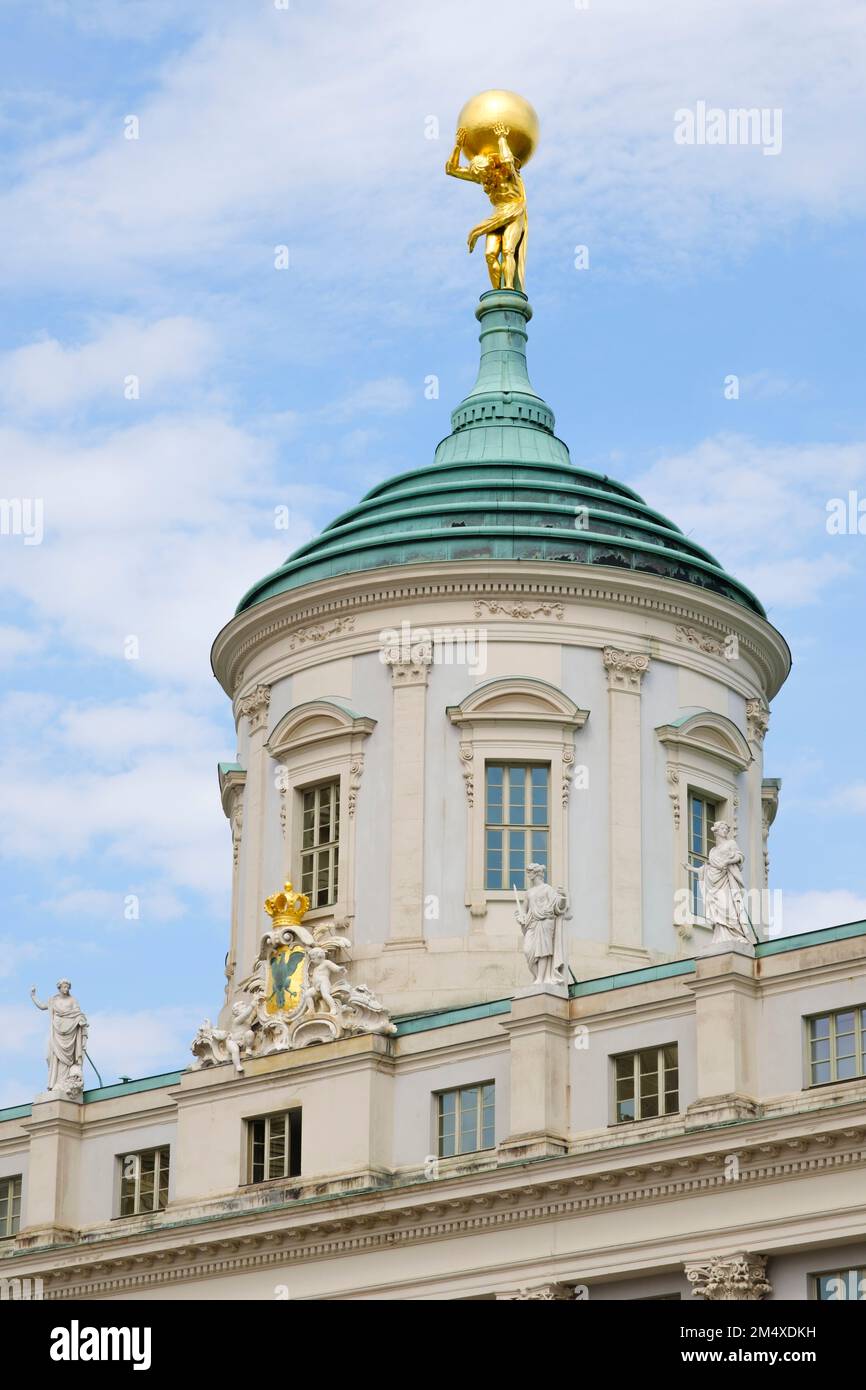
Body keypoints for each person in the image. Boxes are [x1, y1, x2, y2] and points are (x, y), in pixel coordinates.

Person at [446, 123, 528, 290]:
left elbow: (507, 159)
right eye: (480, 177)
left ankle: (509, 287)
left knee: (507, 250)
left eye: (485, 175)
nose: (484, 180)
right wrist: (458, 147)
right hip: (497, 215)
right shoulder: (482, 175)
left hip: (513, 212)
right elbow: (451, 170)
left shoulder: (507, 172)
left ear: (490, 167)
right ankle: (496, 291)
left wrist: (502, 138)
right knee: (490, 255)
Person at [30, 979, 88, 1095]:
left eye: (67, 987)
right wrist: (33, 996)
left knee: (67, 1062)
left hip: (70, 1033)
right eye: (64, 987)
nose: (66, 989)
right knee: (51, 1057)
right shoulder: (53, 1000)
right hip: (57, 1032)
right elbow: (42, 1006)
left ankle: (65, 1084)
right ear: (59, 988)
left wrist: (81, 1021)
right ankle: (56, 1082)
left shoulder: (73, 1000)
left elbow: (78, 1014)